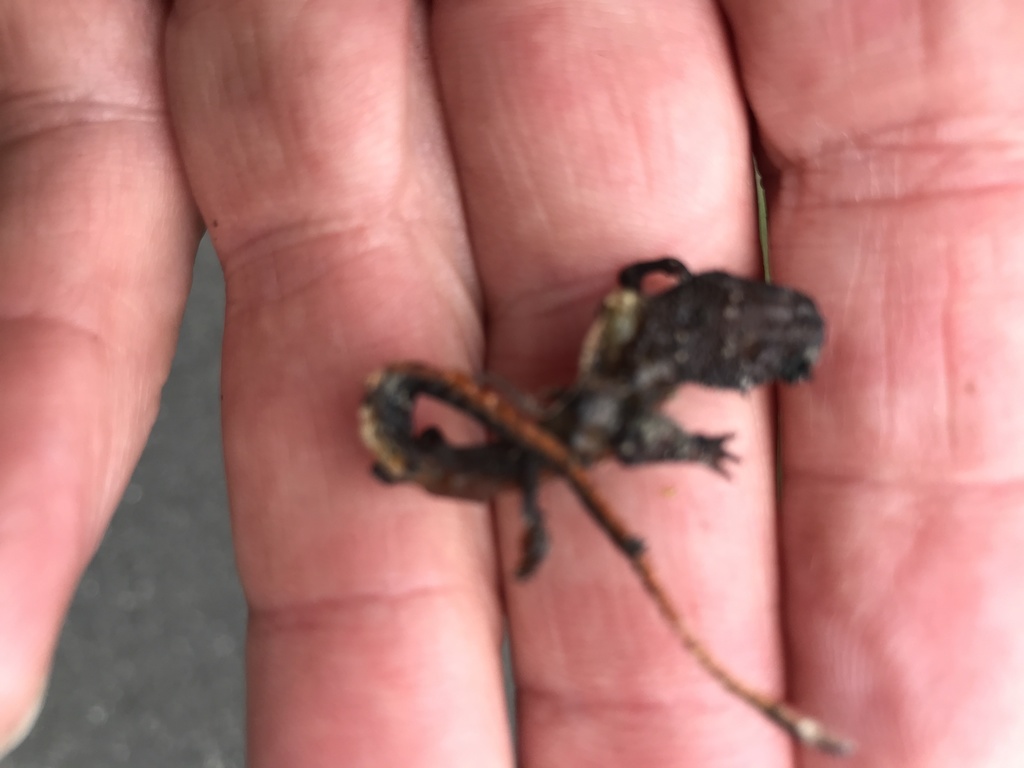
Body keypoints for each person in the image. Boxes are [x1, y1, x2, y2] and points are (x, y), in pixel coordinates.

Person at [2, 2, 1022, 765]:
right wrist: (681, 440)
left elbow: (647, 318)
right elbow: (636, 392)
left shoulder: (646, 336)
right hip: (555, 427)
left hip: (568, 410)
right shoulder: (634, 376)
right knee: (549, 452)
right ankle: (463, 456)